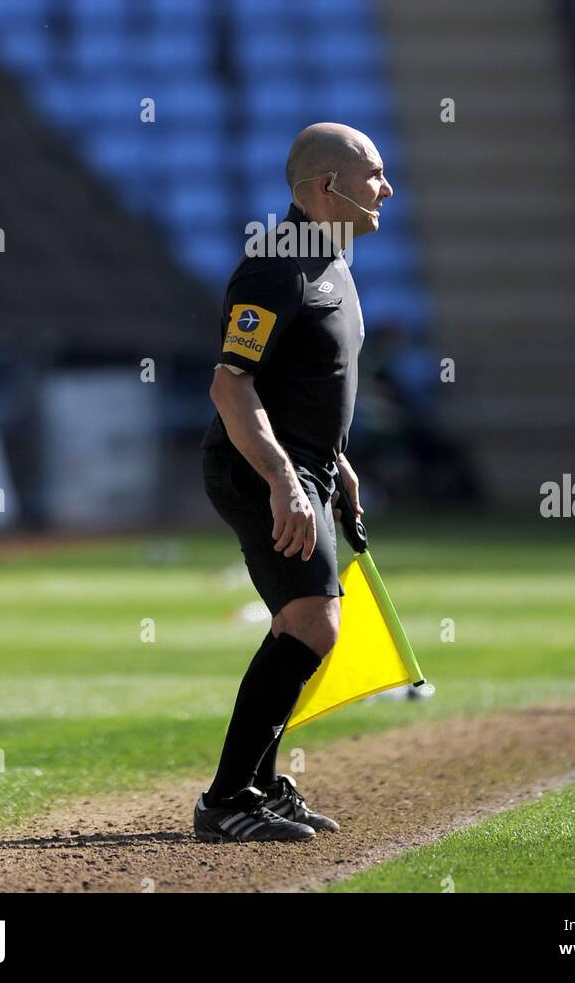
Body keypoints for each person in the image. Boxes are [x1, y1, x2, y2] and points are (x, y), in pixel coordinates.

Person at [194, 122, 392, 842]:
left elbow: (304, 381)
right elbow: (230, 384)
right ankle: (226, 800)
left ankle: (262, 785)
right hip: (259, 467)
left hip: (305, 466)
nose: (386, 188)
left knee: (298, 625)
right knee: (314, 622)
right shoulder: (277, 264)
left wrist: (335, 464)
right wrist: (284, 478)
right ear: (327, 186)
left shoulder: (330, 263)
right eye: (374, 174)